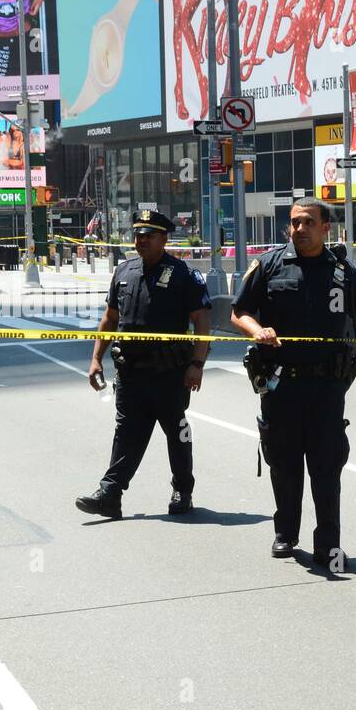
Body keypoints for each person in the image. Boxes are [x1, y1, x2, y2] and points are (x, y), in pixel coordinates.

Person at [231, 197, 356, 570]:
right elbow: (239, 312)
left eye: (307, 222)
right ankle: (285, 533)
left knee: (326, 466)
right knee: (283, 464)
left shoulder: (341, 270)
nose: (299, 229)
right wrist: (258, 330)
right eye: (294, 222)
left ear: (325, 228)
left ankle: (328, 545)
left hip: (327, 390)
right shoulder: (270, 265)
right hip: (280, 385)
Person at [76, 209, 211, 519]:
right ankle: (110, 493)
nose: (141, 240)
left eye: (149, 235)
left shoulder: (183, 275)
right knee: (127, 432)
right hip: (130, 372)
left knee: (176, 432)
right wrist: (96, 358)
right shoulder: (124, 272)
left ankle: (182, 489)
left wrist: (197, 364)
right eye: (138, 234)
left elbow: (202, 320)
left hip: (169, 373)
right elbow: (110, 318)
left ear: (164, 238)